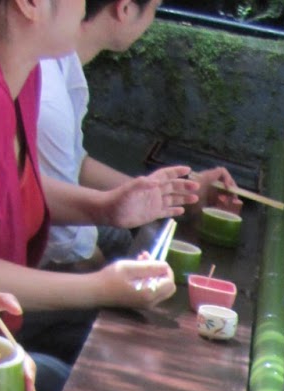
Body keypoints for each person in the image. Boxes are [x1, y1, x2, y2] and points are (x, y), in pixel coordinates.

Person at [0, 0, 189, 391]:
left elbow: (11, 191)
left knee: (121, 338)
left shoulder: (27, 76)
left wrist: (107, 208)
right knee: (56, 386)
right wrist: (99, 287)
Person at [39, 0, 239, 269]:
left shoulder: (62, 69)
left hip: (54, 237)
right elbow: (69, 246)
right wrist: (111, 287)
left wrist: (172, 195)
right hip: (31, 262)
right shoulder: (48, 94)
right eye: (155, 6)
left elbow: (75, 162)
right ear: (125, 9)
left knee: (125, 238)